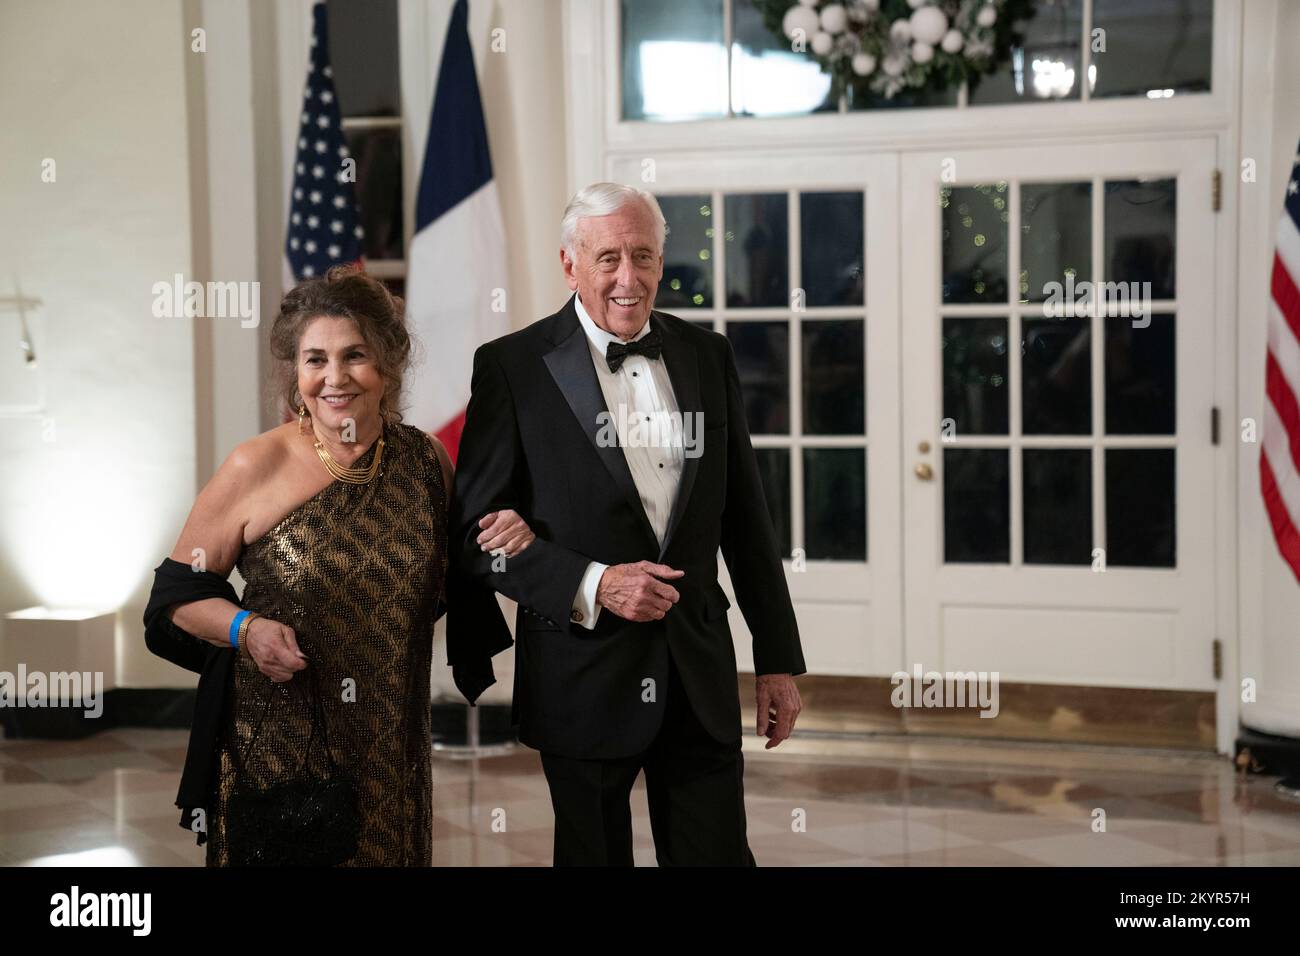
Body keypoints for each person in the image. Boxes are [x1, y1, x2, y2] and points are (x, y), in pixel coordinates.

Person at [449, 182, 807, 866]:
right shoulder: (513, 368)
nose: (627, 276)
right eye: (607, 256)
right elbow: (476, 536)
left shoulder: (709, 355)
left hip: (697, 669)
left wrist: (778, 661)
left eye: (642, 255)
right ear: (569, 264)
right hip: (581, 669)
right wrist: (594, 581)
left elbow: (746, 519)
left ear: (662, 260)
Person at [144, 265, 519, 866]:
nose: (334, 377)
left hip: (392, 744)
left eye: (355, 356)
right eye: (315, 359)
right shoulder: (254, 466)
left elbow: (461, 570)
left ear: (388, 367)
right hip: (280, 738)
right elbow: (174, 598)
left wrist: (514, 532)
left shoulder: (425, 462)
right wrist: (248, 629)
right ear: (295, 373)